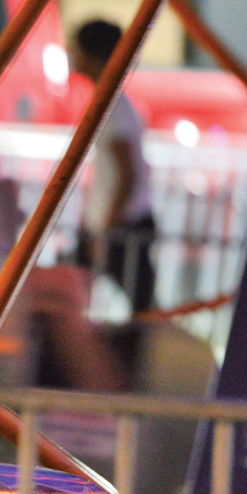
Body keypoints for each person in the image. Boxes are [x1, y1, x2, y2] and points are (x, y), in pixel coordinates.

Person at [72, 18, 156, 314]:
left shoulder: (113, 107)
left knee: (140, 309)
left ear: (92, 57)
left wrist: (104, 232)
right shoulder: (113, 103)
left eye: (76, 50)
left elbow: (126, 175)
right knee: (140, 305)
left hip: (119, 225)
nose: (72, 56)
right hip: (114, 222)